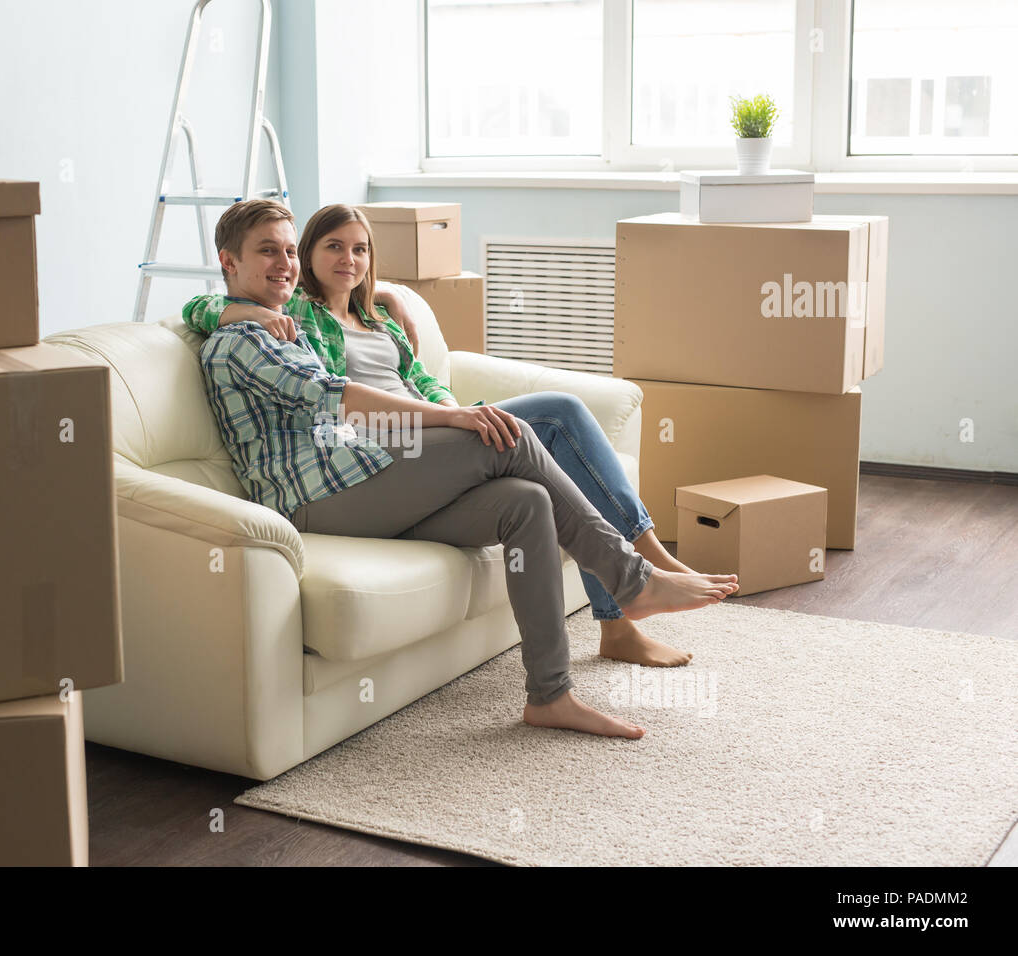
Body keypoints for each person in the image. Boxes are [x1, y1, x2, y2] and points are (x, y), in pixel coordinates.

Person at [189, 199, 738, 739]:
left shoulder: (284, 324)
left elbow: (370, 375)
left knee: (527, 503)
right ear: (228, 261)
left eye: (287, 250)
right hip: (319, 498)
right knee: (511, 435)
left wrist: (381, 322)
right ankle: (631, 580)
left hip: (367, 476)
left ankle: (551, 695)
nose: (283, 263)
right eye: (268, 251)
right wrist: (453, 417)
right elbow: (339, 395)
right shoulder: (243, 339)